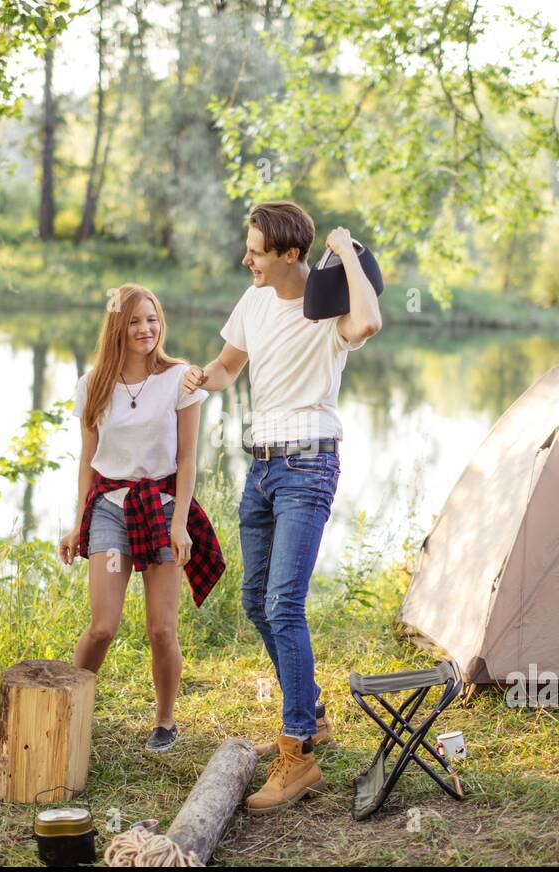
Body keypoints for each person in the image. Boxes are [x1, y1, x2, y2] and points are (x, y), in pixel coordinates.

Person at [183, 201, 382, 814]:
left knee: (283, 602)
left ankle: (297, 753)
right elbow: (227, 367)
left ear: (291, 254)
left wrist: (345, 250)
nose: (246, 259)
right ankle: (313, 709)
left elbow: (369, 325)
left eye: (256, 251)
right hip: (263, 466)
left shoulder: (329, 308)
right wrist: (197, 376)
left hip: (308, 464)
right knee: (254, 599)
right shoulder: (252, 302)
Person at [59, 283, 225, 752]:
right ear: (117, 325)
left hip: (162, 506)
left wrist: (179, 526)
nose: (145, 329)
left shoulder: (180, 379)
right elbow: (87, 460)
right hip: (111, 506)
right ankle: (69, 708)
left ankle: (166, 720)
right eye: (134, 320)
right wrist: (78, 523)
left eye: (151, 319)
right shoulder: (92, 384)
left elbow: (189, 458)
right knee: (102, 625)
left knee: (161, 627)